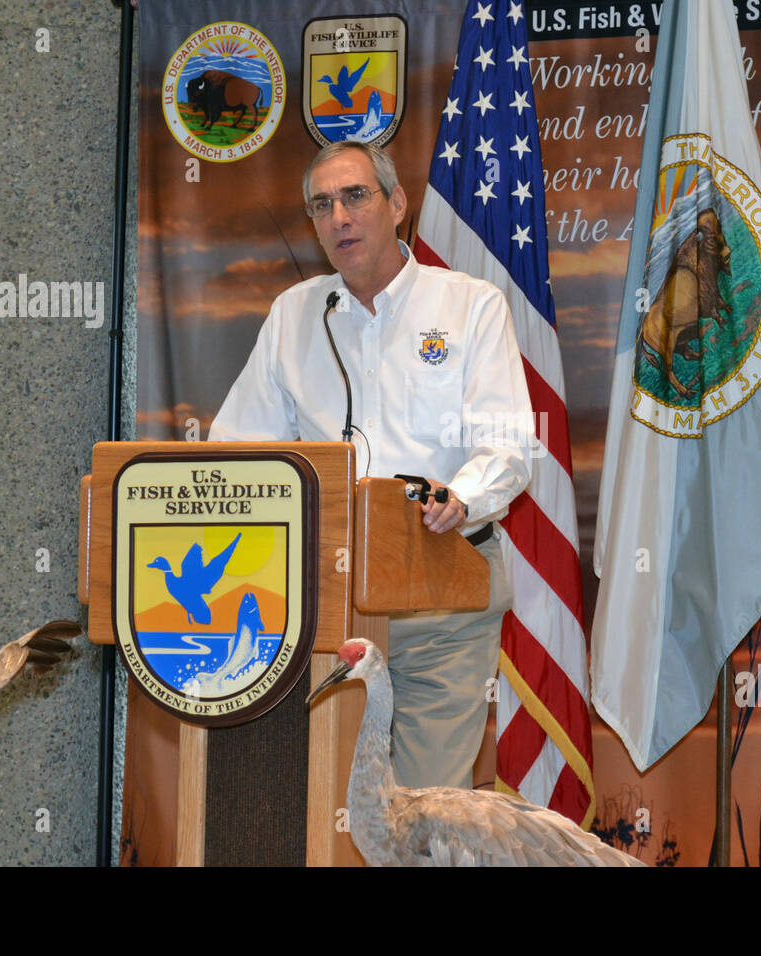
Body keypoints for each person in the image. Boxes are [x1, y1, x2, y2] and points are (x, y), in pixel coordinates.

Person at [209, 141, 533, 789]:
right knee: (317, 805)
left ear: (398, 204)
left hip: (442, 591)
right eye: (321, 205)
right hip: (321, 604)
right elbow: (235, 450)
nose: (339, 218)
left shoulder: (470, 306)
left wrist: (460, 496)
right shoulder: (296, 313)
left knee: (423, 809)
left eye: (355, 196)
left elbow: (508, 444)